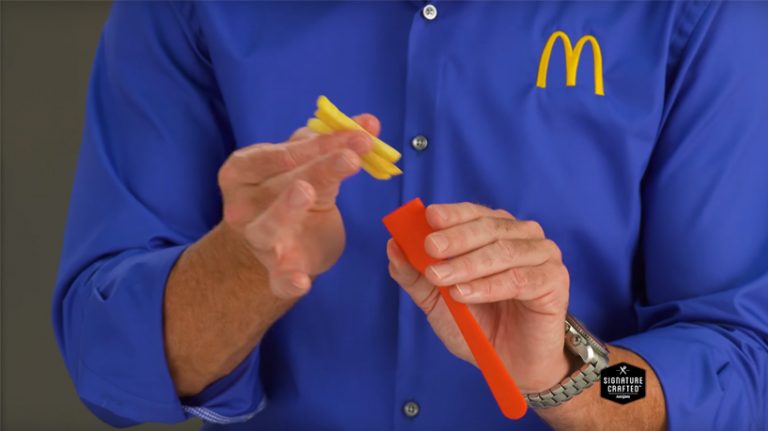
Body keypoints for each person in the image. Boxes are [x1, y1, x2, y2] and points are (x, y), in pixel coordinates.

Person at [52, 1, 768, 430]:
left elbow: (740, 367)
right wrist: (244, 266)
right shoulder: (182, 11)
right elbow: (106, 358)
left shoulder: (700, 13)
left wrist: (570, 371)